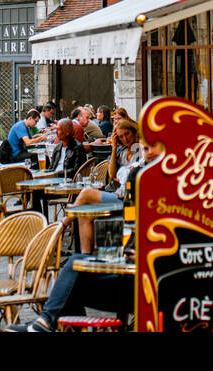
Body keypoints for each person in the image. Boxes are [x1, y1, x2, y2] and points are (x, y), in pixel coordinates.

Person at [13, 135, 163, 332]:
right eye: (145, 149)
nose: (149, 152)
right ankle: (45, 323)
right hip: (128, 281)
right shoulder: (130, 200)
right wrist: (113, 253)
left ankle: (44, 323)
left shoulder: (171, 200)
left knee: (74, 268)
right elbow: (122, 236)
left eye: (154, 146)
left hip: (150, 286)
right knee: (74, 275)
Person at [69, 119, 143, 252]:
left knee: (86, 193)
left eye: (127, 134)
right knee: (85, 214)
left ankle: (64, 223)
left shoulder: (141, 150)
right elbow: (111, 174)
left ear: (134, 132)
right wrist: (114, 148)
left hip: (127, 199)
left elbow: (123, 178)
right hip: (118, 193)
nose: (125, 139)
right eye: (121, 136)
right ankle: (86, 255)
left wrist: (119, 177)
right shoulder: (122, 151)